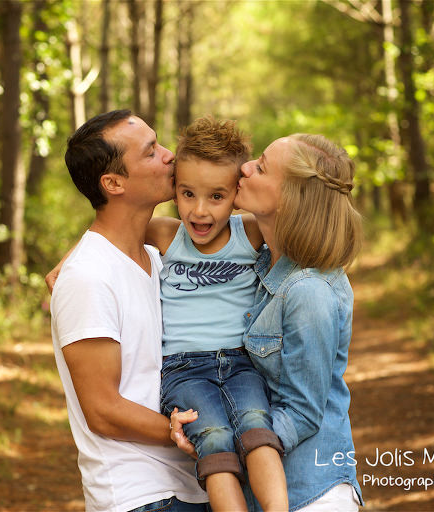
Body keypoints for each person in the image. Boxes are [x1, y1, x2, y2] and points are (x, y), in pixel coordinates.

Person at [176, 133, 365, 511]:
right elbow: (167, 233)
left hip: (310, 493)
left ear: (290, 199)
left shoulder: (309, 290)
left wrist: (219, 435)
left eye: (260, 167)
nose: (244, 168)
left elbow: (302, 413)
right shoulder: (263, 264)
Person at [49, 109, 208, 512]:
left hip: (188, 487)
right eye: (151, 151)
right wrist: (199, 433)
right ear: (114, 182)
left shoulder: (156, 258)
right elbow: (103, 410)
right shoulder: (87, 277)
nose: (170, 155)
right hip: (139, 495)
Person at [143, 116, 288, 512]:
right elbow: (106, 234)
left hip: (242, 363)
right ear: (174, 190)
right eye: (187, 194)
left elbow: (300, 221)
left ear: (237, 194)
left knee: (258, 425)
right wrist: (64, 264)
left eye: (216, 197)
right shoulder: (164, 233)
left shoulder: (250, 232)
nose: (199, 211)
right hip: (183, 367)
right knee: (214, 437)